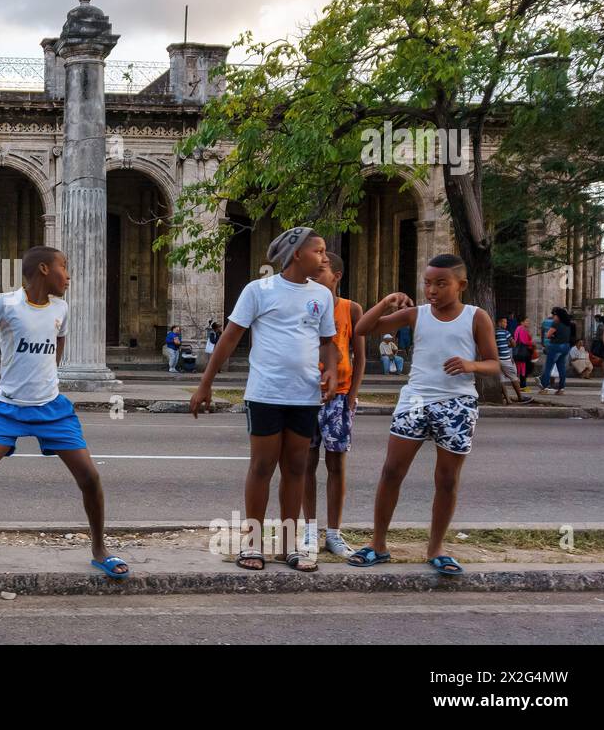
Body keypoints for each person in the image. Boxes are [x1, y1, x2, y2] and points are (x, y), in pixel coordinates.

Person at [0, 246, 128, 581]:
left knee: (90, 477)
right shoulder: (6, 303)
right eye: (65, 267)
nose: (69, 275)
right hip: (8, 408)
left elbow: (57, 343)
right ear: (44, 269)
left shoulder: (61, 307)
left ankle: (100, 549)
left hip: (51, 408)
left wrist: (48, 376)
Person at [190, 227, 337, 573]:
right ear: (297, 254)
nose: (324, 257)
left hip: (305, 396)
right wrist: (205, 384)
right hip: (266, 394)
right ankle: (252, 544)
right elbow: (229, 338)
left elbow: (328, 341)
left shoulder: (322, 295)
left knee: (296, 468)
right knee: (262, 466)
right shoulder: (259, 290)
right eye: (318, 251)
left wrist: (330, 370)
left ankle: (288, 546)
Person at [347, 254, 502, 577]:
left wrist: (471, 365)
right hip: (415, 399)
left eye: (441, 284)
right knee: (391, 471)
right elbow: (362, 328)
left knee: (446, 479)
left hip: (457, 403)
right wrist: (387, 301)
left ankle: (436, 548)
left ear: (461, 285)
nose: (432, 290)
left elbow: (493, 363)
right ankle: (378, 544)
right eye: (428, 283)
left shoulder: (476, 317)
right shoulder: (416, 314)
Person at [301, 252, 364, 557]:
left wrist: (351, 396)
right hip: (306, 394)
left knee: (336, 464)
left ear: (337, 276)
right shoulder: (306, 307)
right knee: (306, 464)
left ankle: (334, 533)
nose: (313, 275)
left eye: (321, 271)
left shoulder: (350, 309)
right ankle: (309, 531)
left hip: (339, 396)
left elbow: (360, 355)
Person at [537, 307, 573, 394]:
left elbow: (548, 335)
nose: (553, 317)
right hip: (566, 346)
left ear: (558, 316)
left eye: (554, 315)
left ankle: (544, 387)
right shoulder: (568, 324)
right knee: (561, 368)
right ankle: (561, 388)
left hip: (556, 346)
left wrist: (553, 336)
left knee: (548, 367)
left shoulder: (556, 323)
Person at [495, 316, 531, 402]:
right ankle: (520, 397)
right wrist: (508, 345)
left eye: (506, 322)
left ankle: (507, 399)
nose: (506, 324)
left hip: (496, 360)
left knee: (501, 380)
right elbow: (514, 344)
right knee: (514, 378)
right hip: (505, 359)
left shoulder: (494, 333)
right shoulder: (506, 332)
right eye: (504, 322)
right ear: (499, 323)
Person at [512, 317, 535, 390]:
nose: (528, 322)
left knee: (520, 368)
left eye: (528, 321)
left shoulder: (519, 328)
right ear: (522, 322)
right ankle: (522, 385)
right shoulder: (522, 329)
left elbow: (516, 339)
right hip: (523, 352)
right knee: (522, 369)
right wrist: (531, 342)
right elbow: (524, 341)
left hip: (520, 352)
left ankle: (520, 385)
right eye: (526, 321)